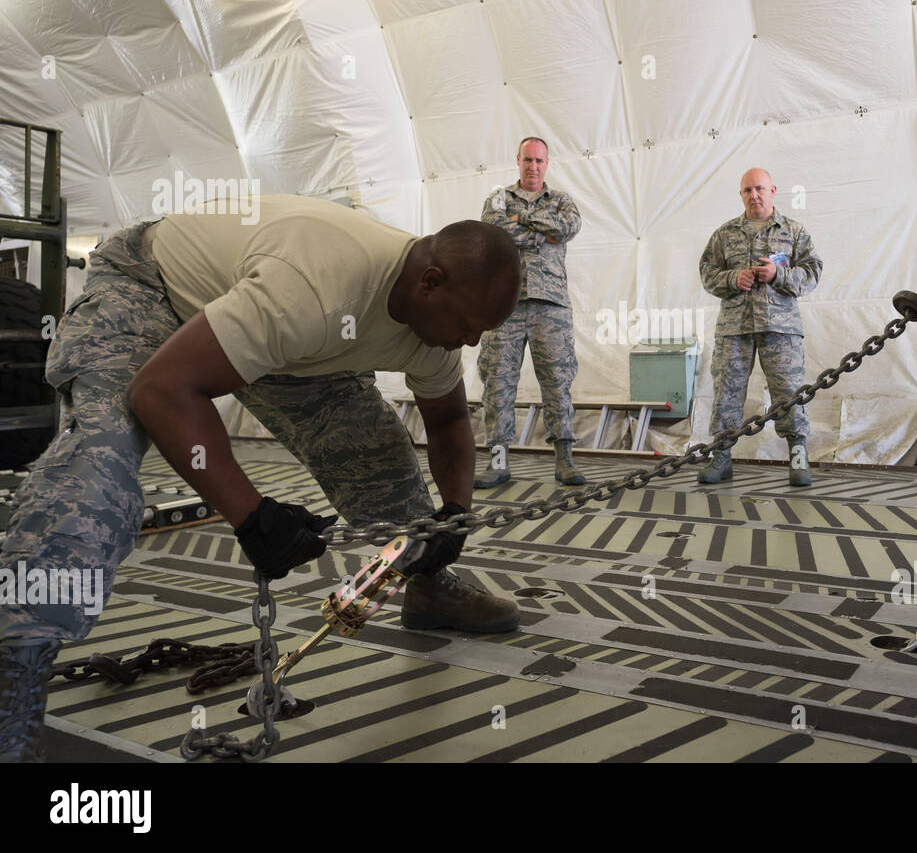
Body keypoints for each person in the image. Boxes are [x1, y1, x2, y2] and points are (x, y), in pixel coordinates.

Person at [0, 194, 522, 762]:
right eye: (470, 328)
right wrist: (251, 516)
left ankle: (427, 585)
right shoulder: (315, 286)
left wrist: (453, 514)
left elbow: (447, 419)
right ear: (430, 282)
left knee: (384, 471)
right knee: (98, 466)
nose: (470, 343)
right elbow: (162, 390)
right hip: (155, 290)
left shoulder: (433, 326)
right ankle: (16, 665)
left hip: (293, 344)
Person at [698, 168, 823, 486]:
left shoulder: (793, 231)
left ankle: (797, 455)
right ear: (741, 194)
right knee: (726, 393)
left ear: (772, 190)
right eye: (747, 190)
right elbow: (707, 272)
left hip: (780, 327)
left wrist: (778, 275)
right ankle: (722, 456)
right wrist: (731, 278)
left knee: (789, 391)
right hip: (734, 327)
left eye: (759, 189)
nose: (754, 195)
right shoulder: (725, 234)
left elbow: (812, 272)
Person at [474, 137, 585, 488]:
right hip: (503, 306)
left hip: (551, 307)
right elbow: (492, 229)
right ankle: (498, 462)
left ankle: (564, 460)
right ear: (517, 160)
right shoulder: (498, 198)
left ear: (547, 163)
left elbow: (568, 228)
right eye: (527, 160)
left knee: (557, 383)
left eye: (539, 161)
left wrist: (520, 219)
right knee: (498, 384)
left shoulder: (562, 201)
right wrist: (541, 232)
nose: (533, 167)